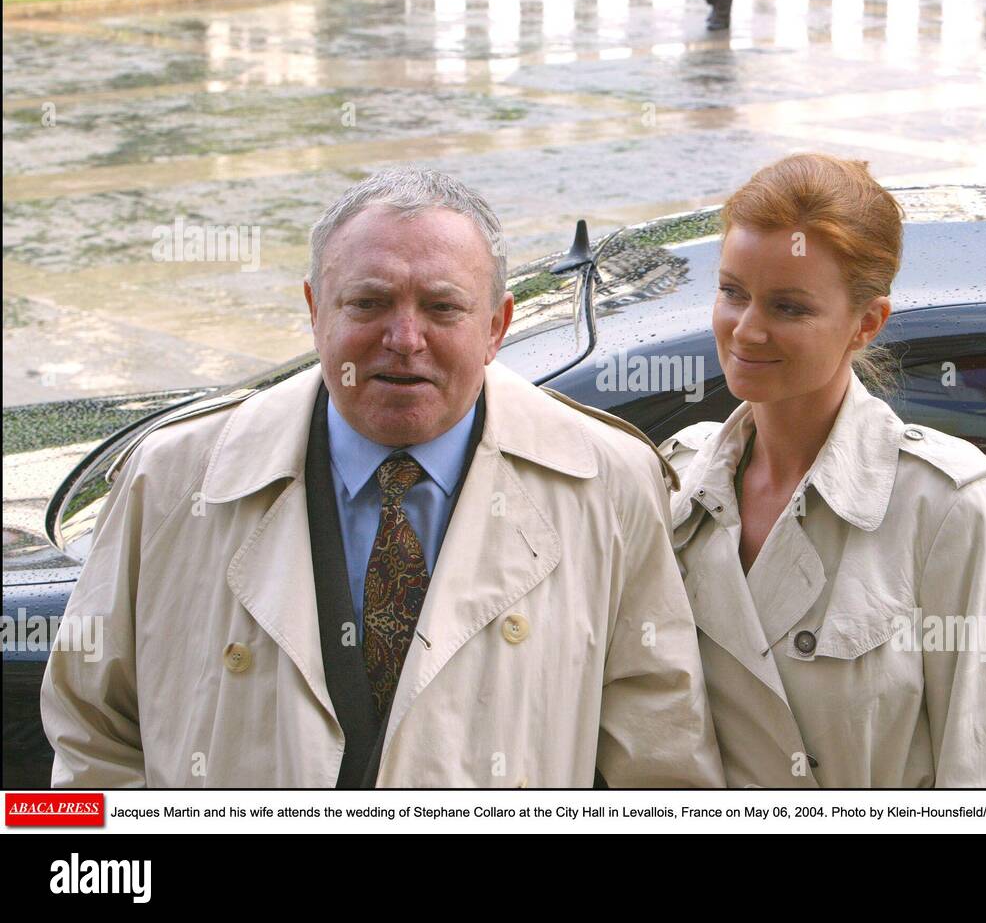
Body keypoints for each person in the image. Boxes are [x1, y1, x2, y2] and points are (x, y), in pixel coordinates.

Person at [42, 167, 725, 789]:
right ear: (315, 311)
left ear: (497, 326)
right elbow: (89, 733)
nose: (404, 339)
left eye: (443, 308)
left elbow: (661, 764)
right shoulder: (170, 478)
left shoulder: (610, 482)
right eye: (368, 303)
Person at [660, 154, 986, 787]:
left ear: (866, 324)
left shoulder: (949, 508)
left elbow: (985, 773)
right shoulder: (673, 482)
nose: (746, 331)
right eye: (732, 292)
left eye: (788, 307)